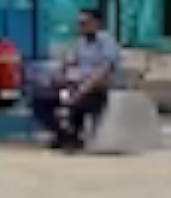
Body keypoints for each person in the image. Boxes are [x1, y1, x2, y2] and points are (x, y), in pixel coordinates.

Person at [32, 9, 121, 151]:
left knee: (78, 102)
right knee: (41, 101)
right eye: (79, 24)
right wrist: (58, 76)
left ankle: (73, 136)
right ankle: (64, 135)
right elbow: (71, 62)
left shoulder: (106, 41)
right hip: (77, 84)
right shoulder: (80, 42)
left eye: (84, 23)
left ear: (96, 23)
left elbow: (104, 70)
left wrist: (83, 89)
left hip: (98, 88)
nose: (81, 27)